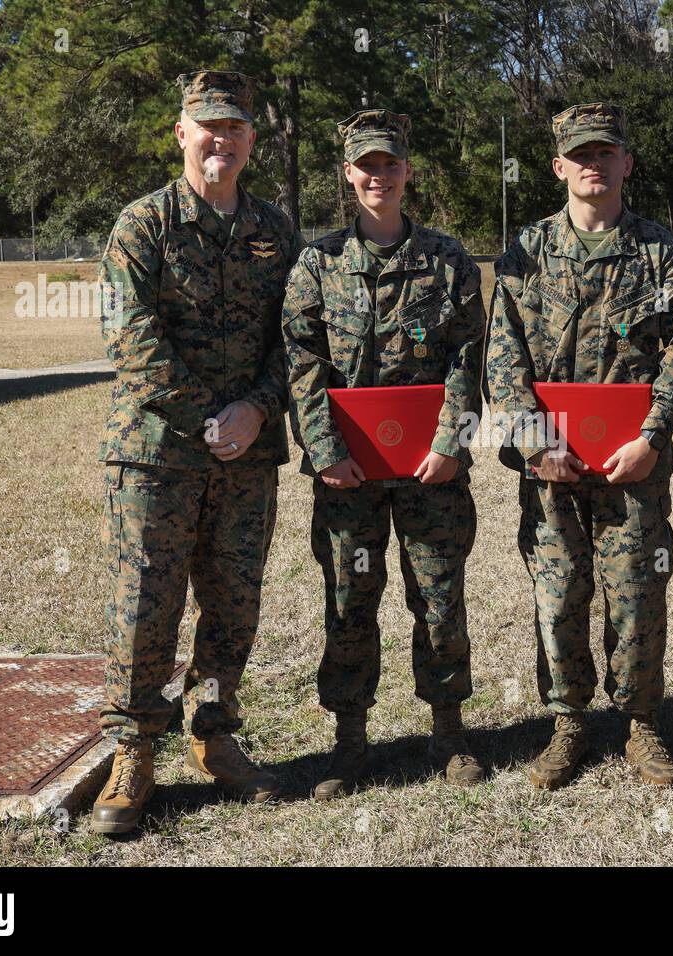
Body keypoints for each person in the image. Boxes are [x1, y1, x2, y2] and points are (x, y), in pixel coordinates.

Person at [91, 70, 301, 835]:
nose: (221, 139)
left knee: (232, 606)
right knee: (146, 607)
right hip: (156, 455)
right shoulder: (141, 224)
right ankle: (133, 752)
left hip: (247, 455)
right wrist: (210, 416)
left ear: (251, 140)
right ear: (182, 133)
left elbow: (297, 338)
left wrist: (256, 409)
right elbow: (129, 337)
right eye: (206, 126)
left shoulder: (276, 230)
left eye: (235, 128)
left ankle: (214, 739)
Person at [485, 103, 673, 790]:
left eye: (606, 152)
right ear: (558, 166)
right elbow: (503, 359)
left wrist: (653, 435)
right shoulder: (527, 252)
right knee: (558, 597)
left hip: (633, 466)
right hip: (551, 468)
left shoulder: (659, 252)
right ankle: (568, 724)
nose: (593, 163)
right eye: (580, 153)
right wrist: (533, 441)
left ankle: (642, 725)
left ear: (625, 163)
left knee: (637, 594)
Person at [284, 109, 487, 800]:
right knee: (348, 602)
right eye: (366, 165)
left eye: (390, 163)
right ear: (349, 174)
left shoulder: (446, 259)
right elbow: (303, 362)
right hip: (347, 474)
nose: (379, 175)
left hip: (431, 471)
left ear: (407, 171)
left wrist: (452, 442)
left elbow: (469, 356)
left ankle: (449, 730)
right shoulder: (318, 263)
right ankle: (349, 739)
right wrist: (322, 448)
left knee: (439, 597)